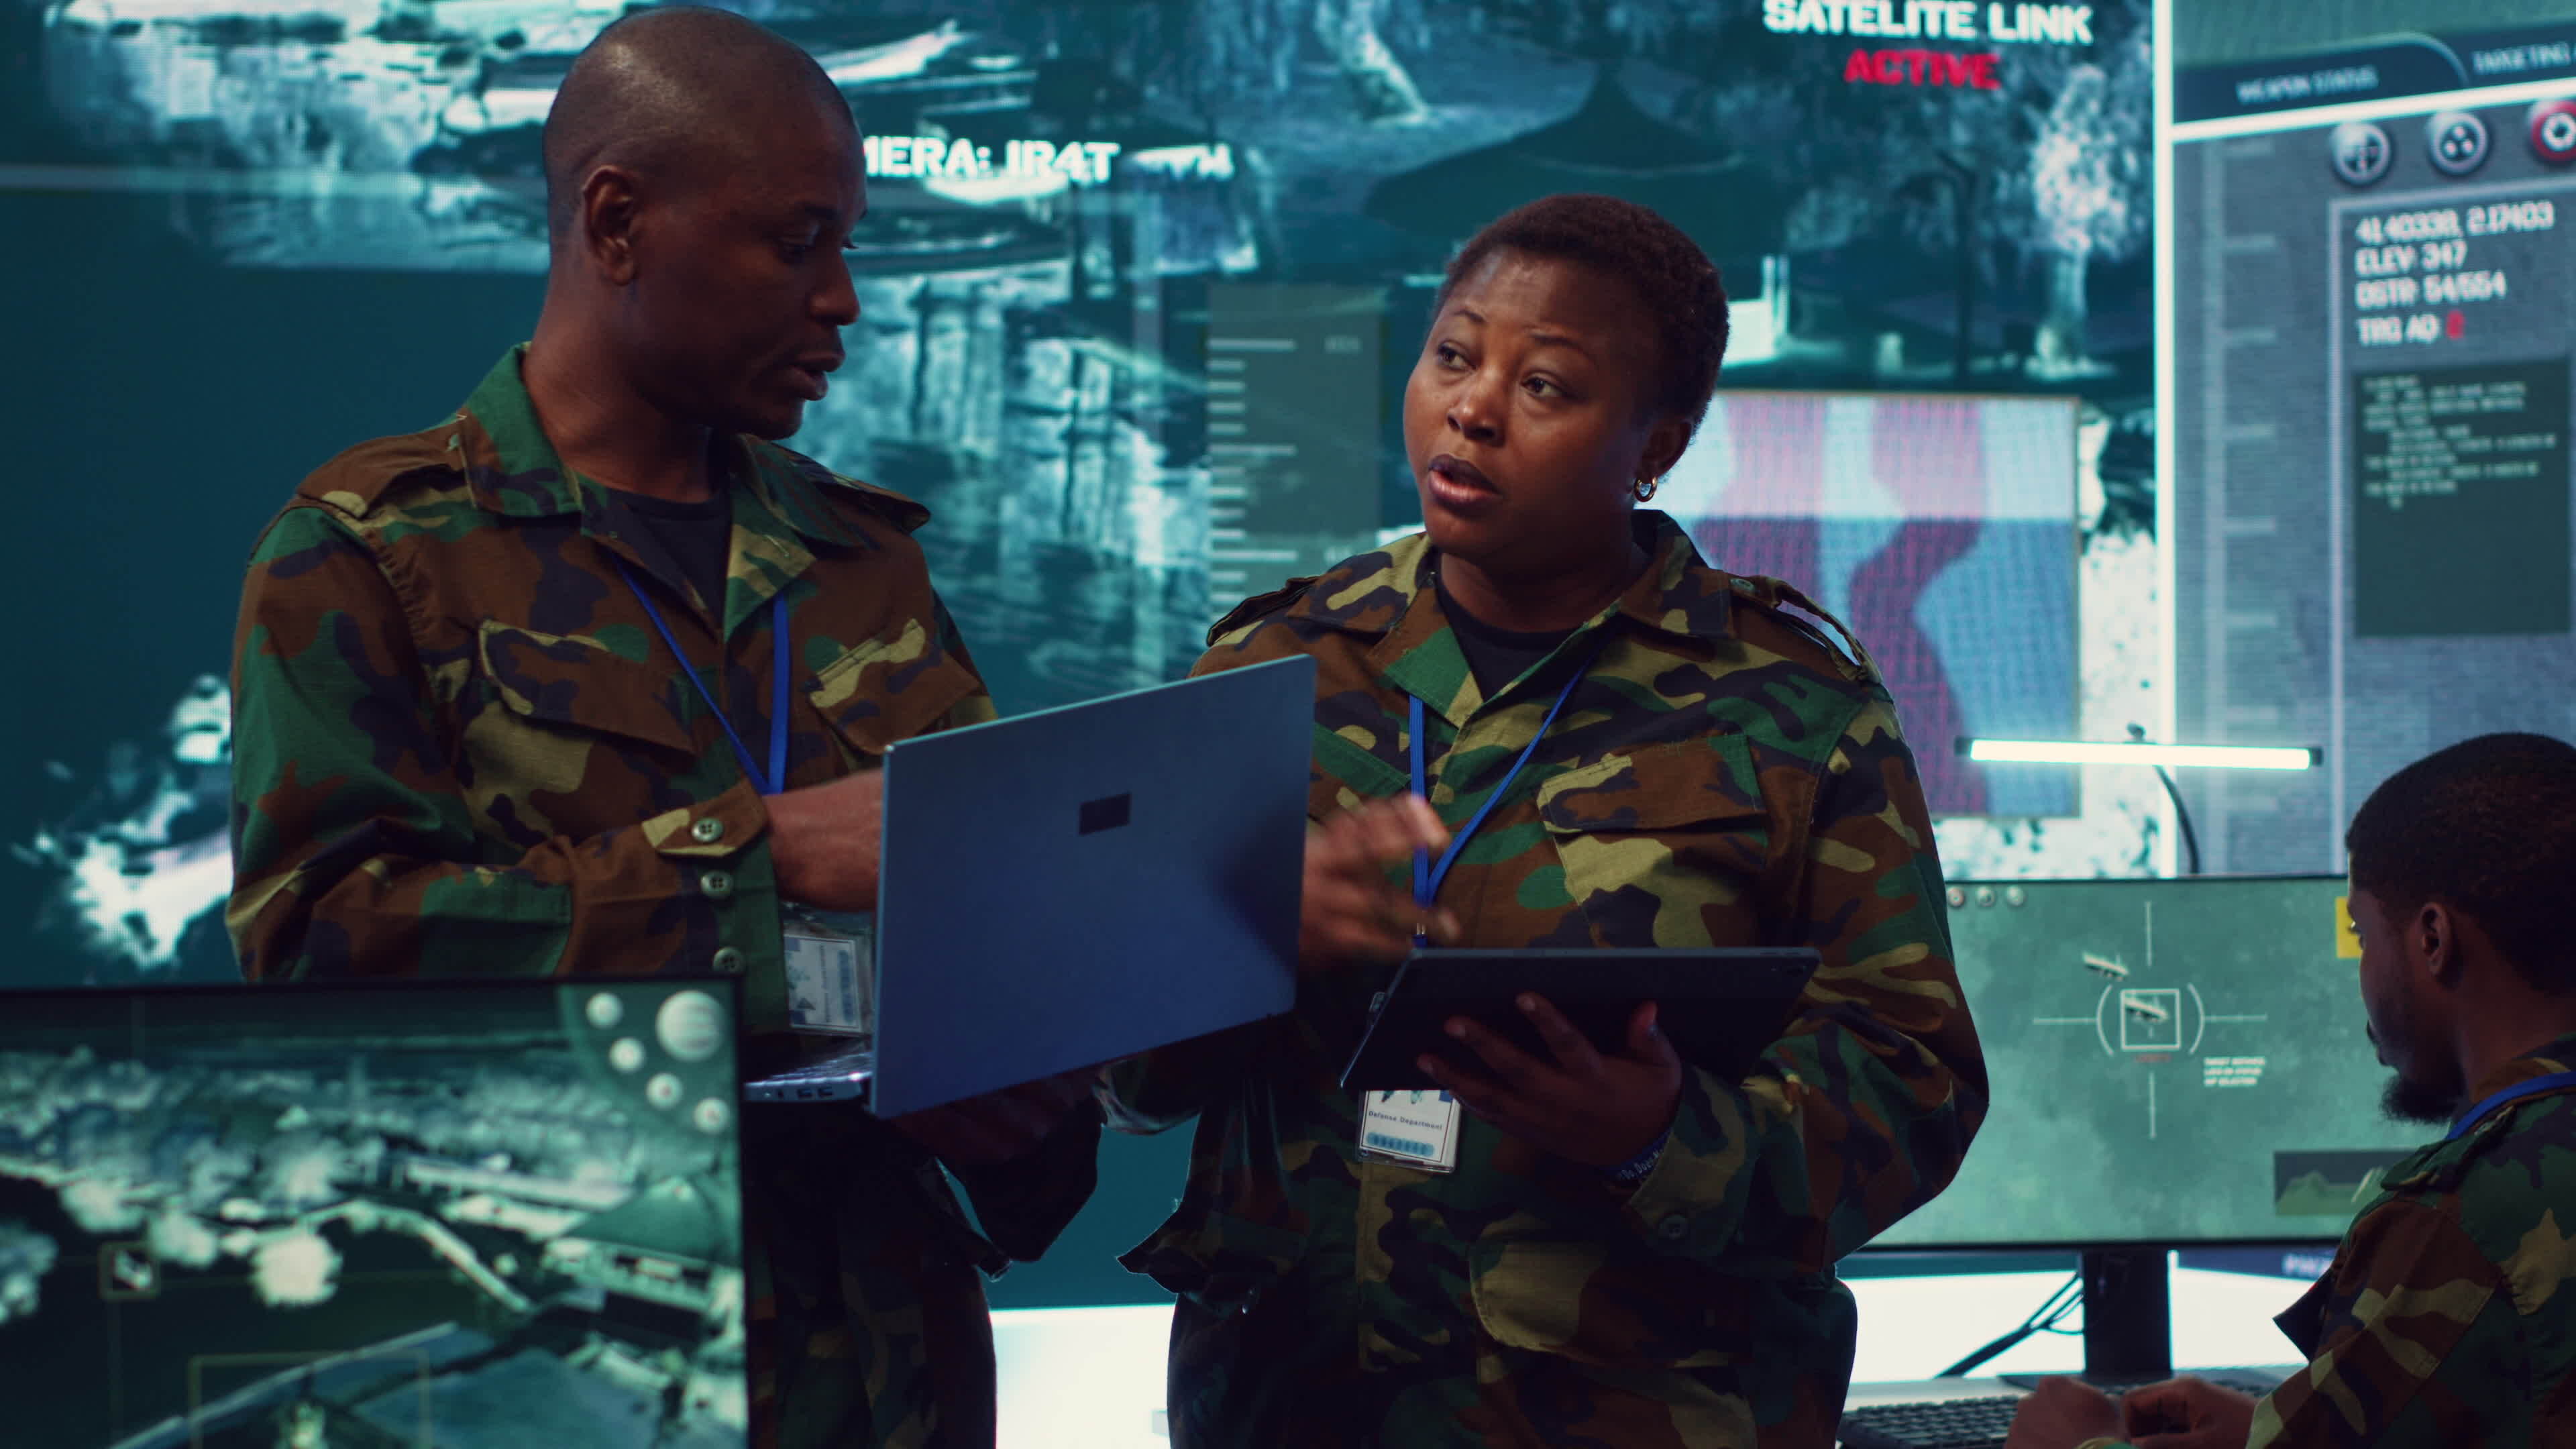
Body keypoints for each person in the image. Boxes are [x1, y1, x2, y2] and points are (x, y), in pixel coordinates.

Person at [225, 11, 1097, 1445]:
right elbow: (326, 959)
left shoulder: (858, 561)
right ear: (617, 221)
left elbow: (988, 915)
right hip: (560, 1375)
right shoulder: (373, 554)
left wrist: (1015, 1101)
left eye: (847, 244)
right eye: (799, 242)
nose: (845, 302)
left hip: (887, 1376)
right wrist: (758, 864)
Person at [1105, 193, 1987, 1445]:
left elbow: (1915, 1087)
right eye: (1454, 357)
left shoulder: (1793, 705)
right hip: (1288, 1399)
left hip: (1638, 1404)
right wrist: (1240, 931)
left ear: (1657, 445)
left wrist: (1661, 1136)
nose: (1470, 408)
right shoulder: (1274, 664)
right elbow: (1125, 1076)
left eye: (1547, 386)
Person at [2006, 732, 2576, 1449]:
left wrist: (2081, 1443)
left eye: (2363, 937)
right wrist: (2274, 1432)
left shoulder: (2464, 1218)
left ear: (2433, 939)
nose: (2362, 977)